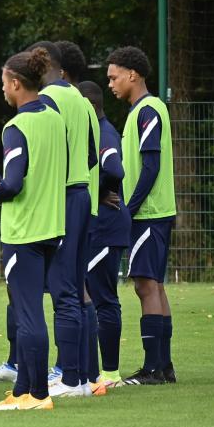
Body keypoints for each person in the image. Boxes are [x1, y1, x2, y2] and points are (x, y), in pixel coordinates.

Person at [0, 47, 67, 411]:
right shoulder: (54, 118)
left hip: (24, 232)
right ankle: (23, 391)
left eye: (3, 83)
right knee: (32, 310)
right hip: (52, 227)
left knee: (28, 313)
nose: (2, 90)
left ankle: (39, 396)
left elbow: (13, 183)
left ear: (16, 83)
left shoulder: (16, 127)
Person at [106, 46, 177, 386]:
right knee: (153, 286)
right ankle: (163, 366)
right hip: (152, 212)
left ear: (132, 75)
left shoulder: (148, 109)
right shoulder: (139, 111)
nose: (110, 84)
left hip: (149, 213)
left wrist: (129, 210)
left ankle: (153, 369)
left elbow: (151, 165)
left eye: (114, 76)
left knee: (146, 286)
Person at [37, 40, 100, 397]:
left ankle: (71, 378)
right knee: (77, 290)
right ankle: (86, 376)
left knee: (62, 291)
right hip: (82, 195)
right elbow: (92, 155)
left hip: (61, 197)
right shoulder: (80, 99)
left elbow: (45, 150)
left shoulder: (49, 100)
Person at [79, 80, 128, 388]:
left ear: (89, 105)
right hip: (102, 228)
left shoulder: (104, 132)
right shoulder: (95, 131)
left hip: (107, 227)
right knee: (96, 297)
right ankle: (97, 371)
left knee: (103, 299)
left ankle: (109, 373)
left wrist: (97, 191)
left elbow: (114, 169)